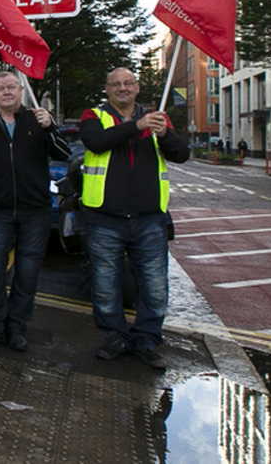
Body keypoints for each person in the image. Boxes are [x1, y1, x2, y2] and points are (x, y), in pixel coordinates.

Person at [80, 67, 188, 370]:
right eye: (116, 84)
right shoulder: (94, 115)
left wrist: (164, 134)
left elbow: (181, 154)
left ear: (137, 88)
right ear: (108, 89)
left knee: (154, 285)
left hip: (149, 218)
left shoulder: (158, 118)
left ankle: (146, 339)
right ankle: (115, 337)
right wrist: (136, 126)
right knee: (104, 284)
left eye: (128, 83)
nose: (122, 88)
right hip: (105, 216)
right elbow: (96, 142)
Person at [0, 72, 71, 352]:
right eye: (1, 89)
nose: (7, 92)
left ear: (21, 90)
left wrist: (50, 127)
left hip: (35, 211)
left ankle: (16, 328)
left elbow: (64, 153)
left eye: (11, 87)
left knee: (26, 272)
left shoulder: (37, 120)